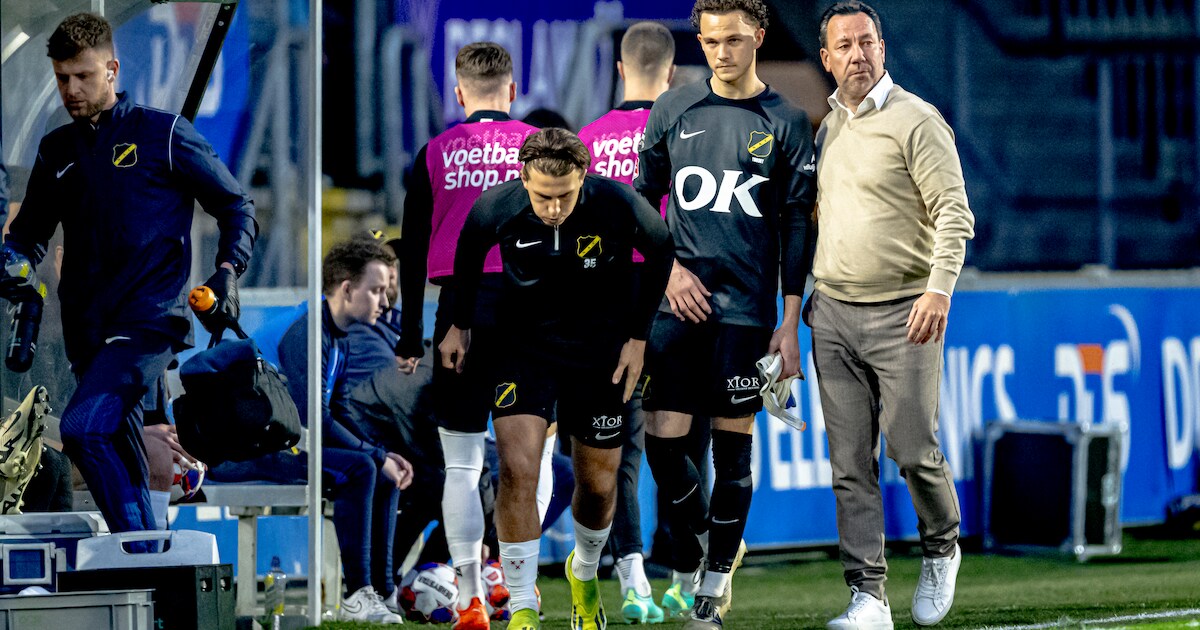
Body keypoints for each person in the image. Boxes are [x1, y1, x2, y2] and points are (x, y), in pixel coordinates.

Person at [0, 13, 257, 535]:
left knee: (81, 430)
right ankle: (147, 560)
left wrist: (229, 270)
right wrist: (15, 265)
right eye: (62, 78)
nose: (71, 90)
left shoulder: (164, 134)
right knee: (123, 449)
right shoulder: (57, 150)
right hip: (87, 334)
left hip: (148, 323)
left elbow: (237, 206)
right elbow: (26, 236)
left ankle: (137, 552)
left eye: (84, 76)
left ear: (112, 70)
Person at [441, 128, 673, 630]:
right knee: (517, 468)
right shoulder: (495, 206)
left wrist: (638, 336)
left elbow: (662, 252)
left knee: (599, 485)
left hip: (600, 354)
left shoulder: (618, 203)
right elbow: (467, 255)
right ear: (524, 178)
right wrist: (459, 325)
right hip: (521, 351)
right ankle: (523, 605)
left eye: (564, 195)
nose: (553, 208)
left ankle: (583, 574)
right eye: (543, 196)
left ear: (583, 176)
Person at [633, 1, 816, 627]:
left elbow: (797, 223)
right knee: (664, 447)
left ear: (759, 37)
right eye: (711, 41)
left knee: (733, 450)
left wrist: (788, 320)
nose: (721, 52)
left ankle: (711, 590)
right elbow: (643, 203)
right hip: (677, 303)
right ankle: (711, 543)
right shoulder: (672, 109)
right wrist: (668, 271)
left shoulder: (787, 121)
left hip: (745, 311)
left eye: (734, 39)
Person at [810, 3, 975, 629]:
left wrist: (939, 290)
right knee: (849, 466)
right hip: (833, 315)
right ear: (826, 59)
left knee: (912, 449)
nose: (857, 54)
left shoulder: (917, 120)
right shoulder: (829, 128)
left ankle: (942, 544)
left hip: (906, 311)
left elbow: (954, 213)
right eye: (844, 46)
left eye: (867, 42)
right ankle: (868, 596)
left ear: (883, 48)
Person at [397, 41, 539, 630]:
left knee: (461, 463)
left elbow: (411, 251)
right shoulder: (539, 147)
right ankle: (523, 591)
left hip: (456, 313)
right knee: (528, 457)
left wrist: (409, 335)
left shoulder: (435, 152)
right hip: (529, 312)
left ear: (459, 95)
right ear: (513, 90)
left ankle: (469, 598)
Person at [577, 20, 676, 625]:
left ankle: (632, 578)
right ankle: (691, 572)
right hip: (676, 302)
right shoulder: (680, 130)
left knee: (623, 447)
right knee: (687, 437)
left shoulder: (587, 139)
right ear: (672, 74)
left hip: (607, 310)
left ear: (619, 70)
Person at [276, 238, 415, 624]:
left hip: (301, 443)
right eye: (376, 291)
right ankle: (357, 594)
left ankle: (383, 590)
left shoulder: (338, 335)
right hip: (268, 450)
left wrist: (382, 452)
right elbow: (314, 420)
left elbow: (339, 410)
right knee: (362, 468)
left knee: (381, 469)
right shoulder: (309, 334)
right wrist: (374, 456)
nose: (384, 303)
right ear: (348, 289)